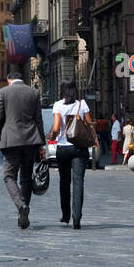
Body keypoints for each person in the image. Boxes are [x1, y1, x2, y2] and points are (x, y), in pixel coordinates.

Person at [0, 68, 45, 230]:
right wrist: (41, 143)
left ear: (9, 80)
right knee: (26, 177)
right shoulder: (34, 93)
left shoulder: (3, 92)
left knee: (9, 176)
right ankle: (24, 212)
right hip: (31, 140)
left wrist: (3, 132)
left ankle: (21, 206)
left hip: (11, 140)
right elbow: (39, 119)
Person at [51, 81, 95, 229]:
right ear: (75, 90)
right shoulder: (82, 104)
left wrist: (51, 135)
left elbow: (56, 127)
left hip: (63, 147)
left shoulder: (58, 105)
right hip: (79, 147)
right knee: (78, 182)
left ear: (62, 91)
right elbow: (89, 124)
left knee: (64, 182)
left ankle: (65, 215)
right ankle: (77, 218)